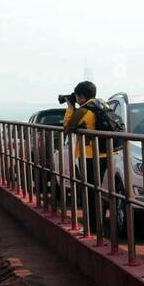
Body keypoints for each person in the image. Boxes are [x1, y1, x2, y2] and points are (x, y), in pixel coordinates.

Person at [61, 80, 110, 233]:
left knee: (89, 192)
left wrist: (70, 108)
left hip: (89, 156)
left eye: (77, 96)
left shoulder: (84, 111)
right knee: (96, 190)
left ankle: (93, 228)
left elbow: (67, 127)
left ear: (81, 96)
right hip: (103, 153)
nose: (76, 99)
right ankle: (96, 226)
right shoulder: (102, 105)